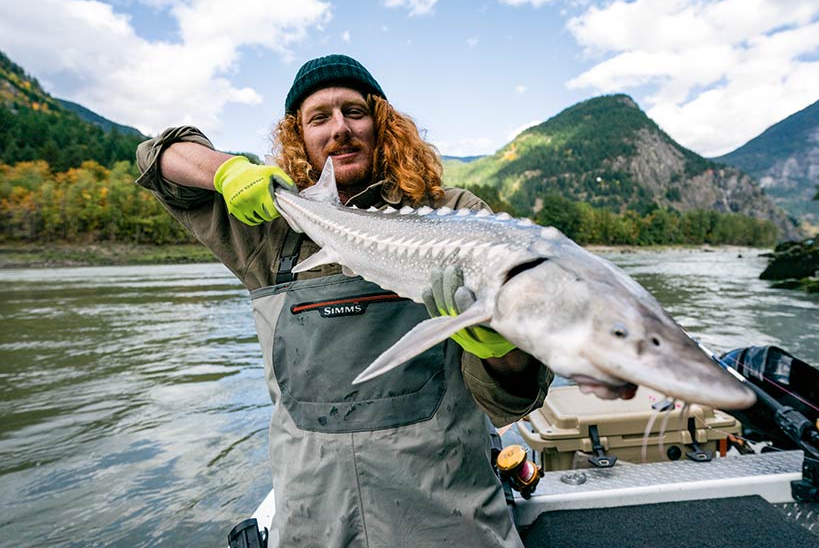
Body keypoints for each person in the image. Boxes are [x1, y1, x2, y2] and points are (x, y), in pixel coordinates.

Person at [136, 54, 552, 547]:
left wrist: (498, 347)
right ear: (298, 137)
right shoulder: (270, 232)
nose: (339, 129)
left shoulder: (453, 215)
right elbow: (156, 156)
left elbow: (514, 398)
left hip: (451, 523)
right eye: (319, 118)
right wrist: (227, 171)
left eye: (354, 112)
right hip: (314, 527)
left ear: (382, 124)